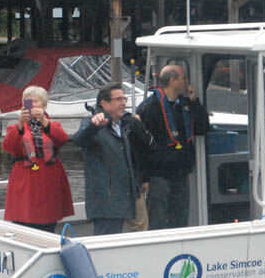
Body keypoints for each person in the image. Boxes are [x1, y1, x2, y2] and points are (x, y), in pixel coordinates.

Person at [136, 64, 210, 229]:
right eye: (183, 78)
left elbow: (202, 128)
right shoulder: (149, 108)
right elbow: (140, 147)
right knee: (158, 219)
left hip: (181, 172)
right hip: (158, 174)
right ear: (173, 81)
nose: (187, 82)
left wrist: (194, 101)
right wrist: (144, 178)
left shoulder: (186, 104)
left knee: (180, 218)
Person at [1, 85, 74, 233]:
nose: (31, 105)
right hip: (25, 179)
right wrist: (20, 123)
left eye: (35, 101)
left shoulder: (53, 125)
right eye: (27, 102)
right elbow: (8, 146)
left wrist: (43, 120)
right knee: (23, 220)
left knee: (48, 218)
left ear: (44, 105)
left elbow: (62, 139)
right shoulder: (15, 127)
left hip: (49, 178)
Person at [72, 84, 141, 236]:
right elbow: (79, 139)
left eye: (124, 98)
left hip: (123, 201)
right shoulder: (94, 124)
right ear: (104, 103)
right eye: (118, 99)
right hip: (106, 203)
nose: (123, 102)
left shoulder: (122, 126)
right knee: (105, 247)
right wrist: (93, 125)